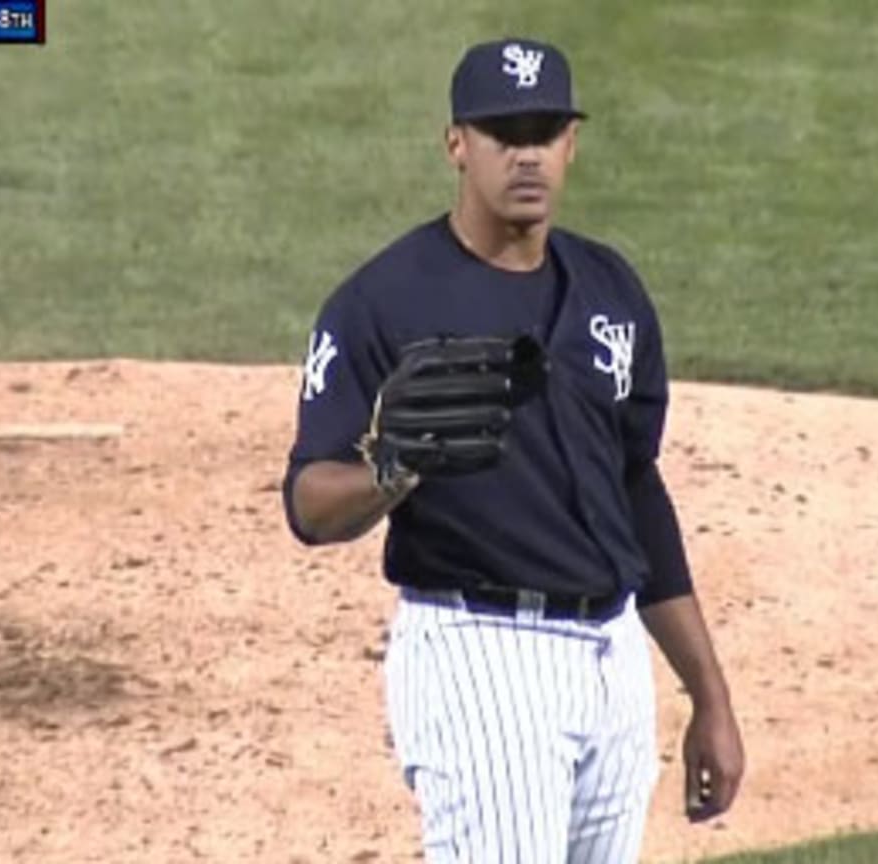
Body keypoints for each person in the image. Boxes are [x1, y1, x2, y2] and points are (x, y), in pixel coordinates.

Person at [281, 36, 744, 863]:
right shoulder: (384, 299)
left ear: (571, 143)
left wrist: (708, 694)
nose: (526, 155)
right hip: (481, 654)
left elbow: (636, 490)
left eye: (543, 132)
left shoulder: (611, 288)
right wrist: (395, 470)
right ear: (457, 144)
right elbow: (309, 504)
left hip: (614, 660)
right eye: (503, 133)